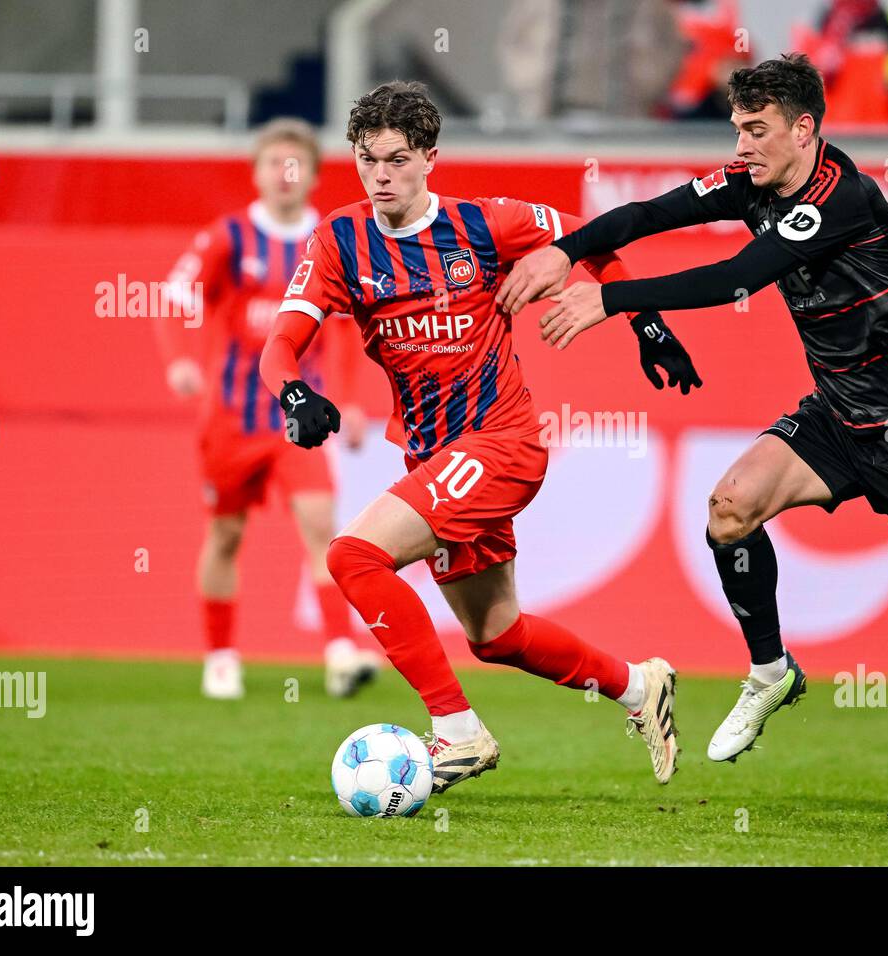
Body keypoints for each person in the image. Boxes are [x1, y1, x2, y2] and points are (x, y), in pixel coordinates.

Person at [498, 53, 888, 825]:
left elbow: (740, 275)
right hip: (839, 417)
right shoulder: (750, 180)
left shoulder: (842, 199)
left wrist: (610, 298)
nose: (742, 146)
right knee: (730, 508)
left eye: (758, 130)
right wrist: (564, 248)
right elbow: (647, 213)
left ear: (804, 128)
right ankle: (771, 669)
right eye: (737, 129)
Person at [259, 82, 701, 793]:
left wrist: (647, 321)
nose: (381, 176)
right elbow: (281, 342)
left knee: (353, 557)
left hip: (501, 442)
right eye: (367, 160)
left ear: (430, 158)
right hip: (435, 456)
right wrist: (295, 390)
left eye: (397, 159)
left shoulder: (485, 225)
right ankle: (638, 686)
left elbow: (594, 240)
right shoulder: (339, 240)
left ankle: (458, 733)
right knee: (497, 635)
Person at [157, 118, 380, 701]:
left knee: (320, 526)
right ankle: (222, 657)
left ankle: (339, 653)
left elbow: (346, 331)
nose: (283, 176)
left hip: (298, 417)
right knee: (226, 535)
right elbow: (176, 296)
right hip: (231, 417)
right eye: (272, 165)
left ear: (310, 174)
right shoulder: (228, 237)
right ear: (256, 174)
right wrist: (180, 359)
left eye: (295, 164)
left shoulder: (334, 240)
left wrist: (352, 401)